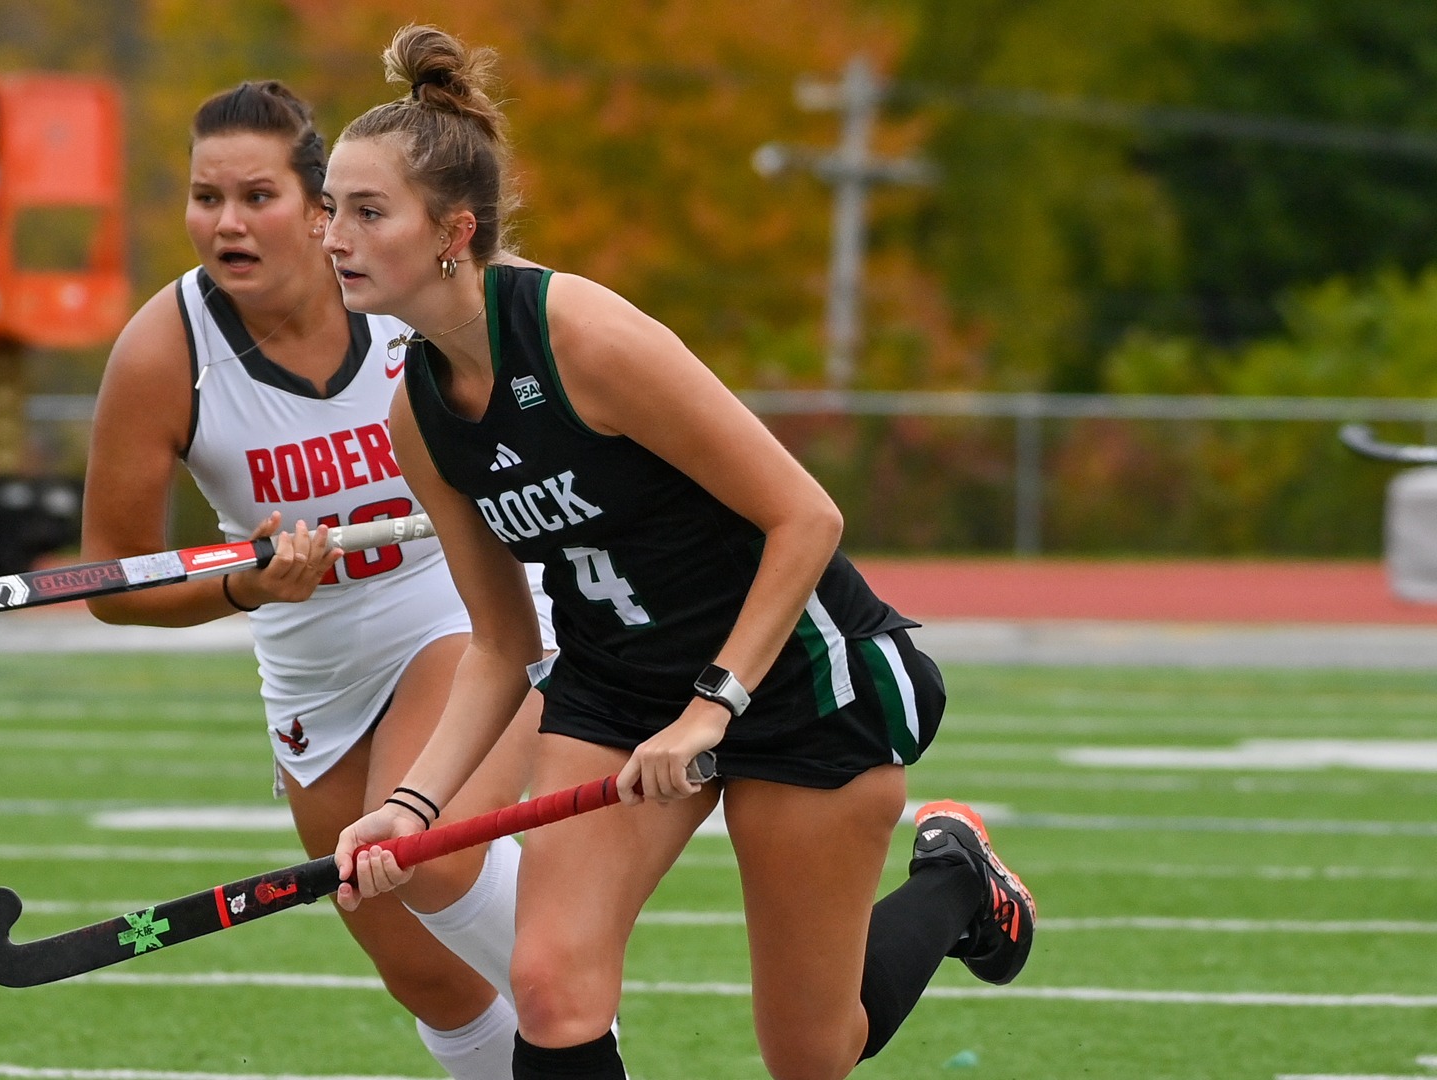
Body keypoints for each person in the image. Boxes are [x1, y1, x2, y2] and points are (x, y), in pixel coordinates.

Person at [324, 26, 1038, 1080]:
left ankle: (956, 883)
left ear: (453, 231)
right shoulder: (418, 417)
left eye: (366, 211)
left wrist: (714, 702)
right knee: (552, 989)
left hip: (791, 680)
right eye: (330, 207)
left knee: (811, 1052)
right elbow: (500, 642)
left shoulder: (584, 338)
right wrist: (409, 807)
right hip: (615, 689)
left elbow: (807, 519)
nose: (333, 235)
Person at [82, 80, 548, 1080]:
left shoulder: (408, 289)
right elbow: (114, 583)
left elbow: (556, 397)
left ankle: (577, 1005)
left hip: (463, 611)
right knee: (422, 969)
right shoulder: (166, 352)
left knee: (429, 854)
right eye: (207, 198)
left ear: (320, 205)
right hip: (316, 670)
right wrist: (246, 588)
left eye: (259, 196)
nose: (227, 223)